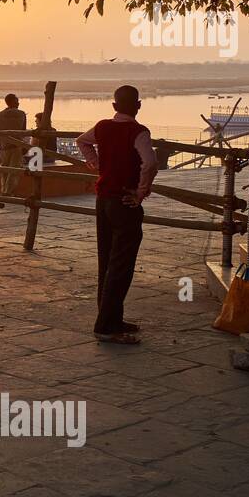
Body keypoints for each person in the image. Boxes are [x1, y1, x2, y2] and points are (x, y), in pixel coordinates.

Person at [77, 85, 158, 344]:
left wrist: (98, 165)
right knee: (121, 264)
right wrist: (141, 192)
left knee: (107, 258)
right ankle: (105, 326)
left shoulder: (102, 126)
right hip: (124, 200)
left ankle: (111, 317)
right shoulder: (139, 132)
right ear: (138, 105)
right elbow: (151, 163)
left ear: (114, 106)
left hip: (103, 199)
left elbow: (83, 141)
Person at [0, 94, 28, 195]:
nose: (18, 103)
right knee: (14, 171)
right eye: (17, 101)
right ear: (13, 102)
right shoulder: (21, 114)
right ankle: (8, 192)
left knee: (4, 170)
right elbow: (23, 131)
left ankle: (4, 190)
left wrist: (1, 144)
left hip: (4, 146)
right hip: (17, 146)